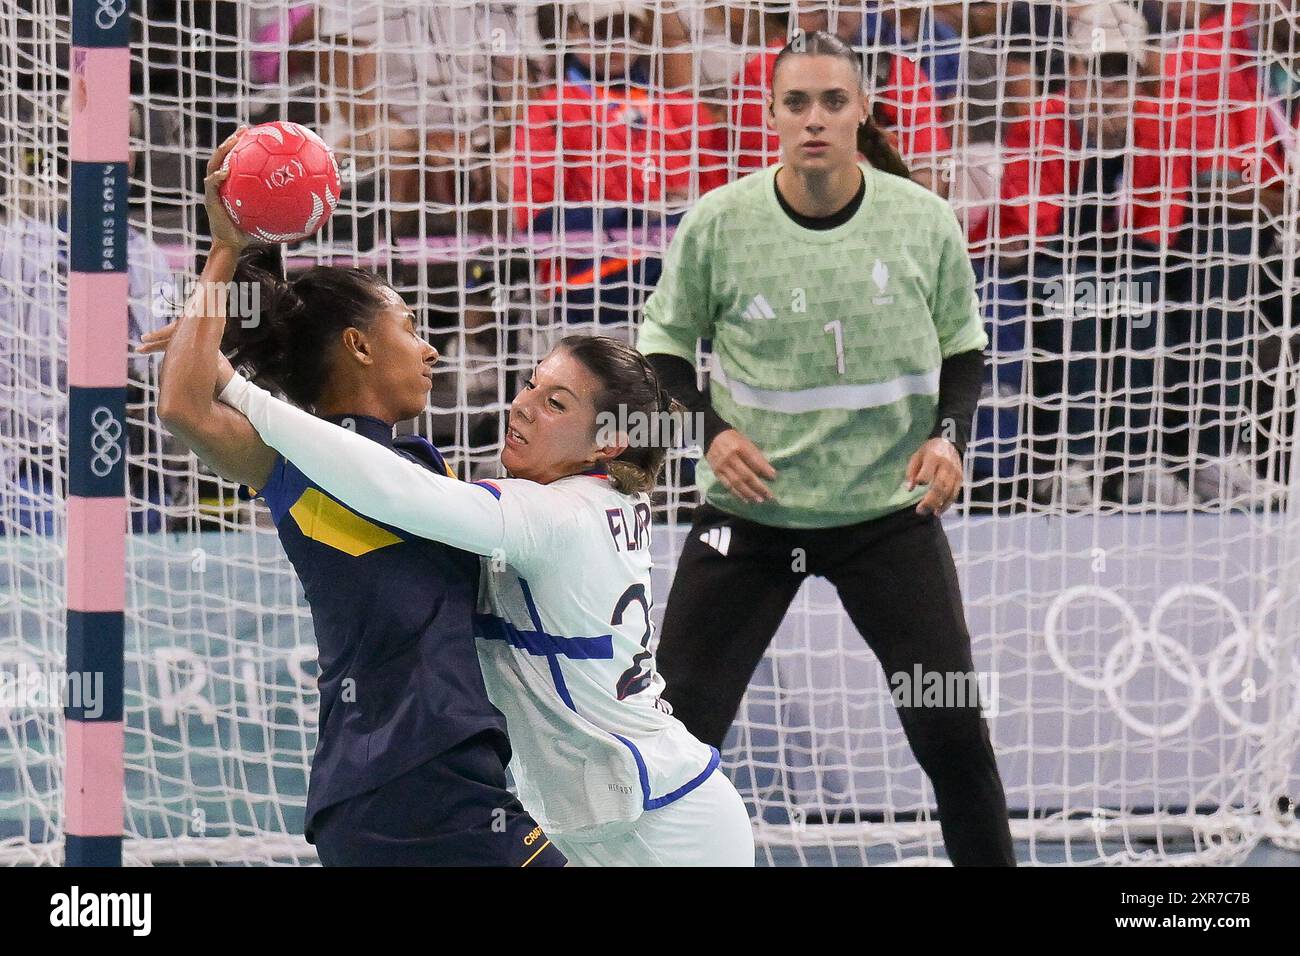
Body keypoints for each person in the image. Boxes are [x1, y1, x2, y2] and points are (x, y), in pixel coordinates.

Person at [637, 30, 1016, 866]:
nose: (815, 118)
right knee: (671, 744)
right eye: (798, 102)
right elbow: (661, 348)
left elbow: (964, 347)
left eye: (833, 101)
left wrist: (948, 439)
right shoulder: (719, 223)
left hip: (887, 517)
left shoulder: (922, 220)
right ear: (771, 114)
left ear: (862, 111)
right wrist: (712, 431)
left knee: (954, 738)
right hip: (750, 522)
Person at [141, 130, 565, 867]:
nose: (430, 349)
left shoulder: (424, 472)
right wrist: (223, 253)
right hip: (413, 784)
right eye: (409, 327)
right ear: (360, 347)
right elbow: (182, 406)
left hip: (413, 788)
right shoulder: (298, 467)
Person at [211, 327, 756, 867]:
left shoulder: (555, 516)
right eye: (529, 385)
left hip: (671, 825)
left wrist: (239, 392)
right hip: (588, 825)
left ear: (607, 442)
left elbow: (393, 488)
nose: (521, 408)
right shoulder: (598, 500)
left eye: (555, 404)